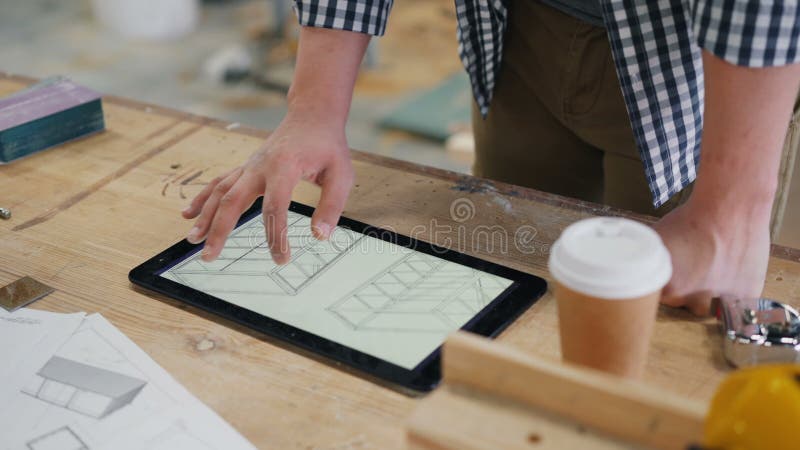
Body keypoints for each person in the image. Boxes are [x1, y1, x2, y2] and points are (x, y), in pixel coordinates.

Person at [181, 0, 800, 316]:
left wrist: (732, 211)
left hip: (705, 65)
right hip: (510, 33)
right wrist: (314, 103)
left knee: (658, 336)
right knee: (504, 296)